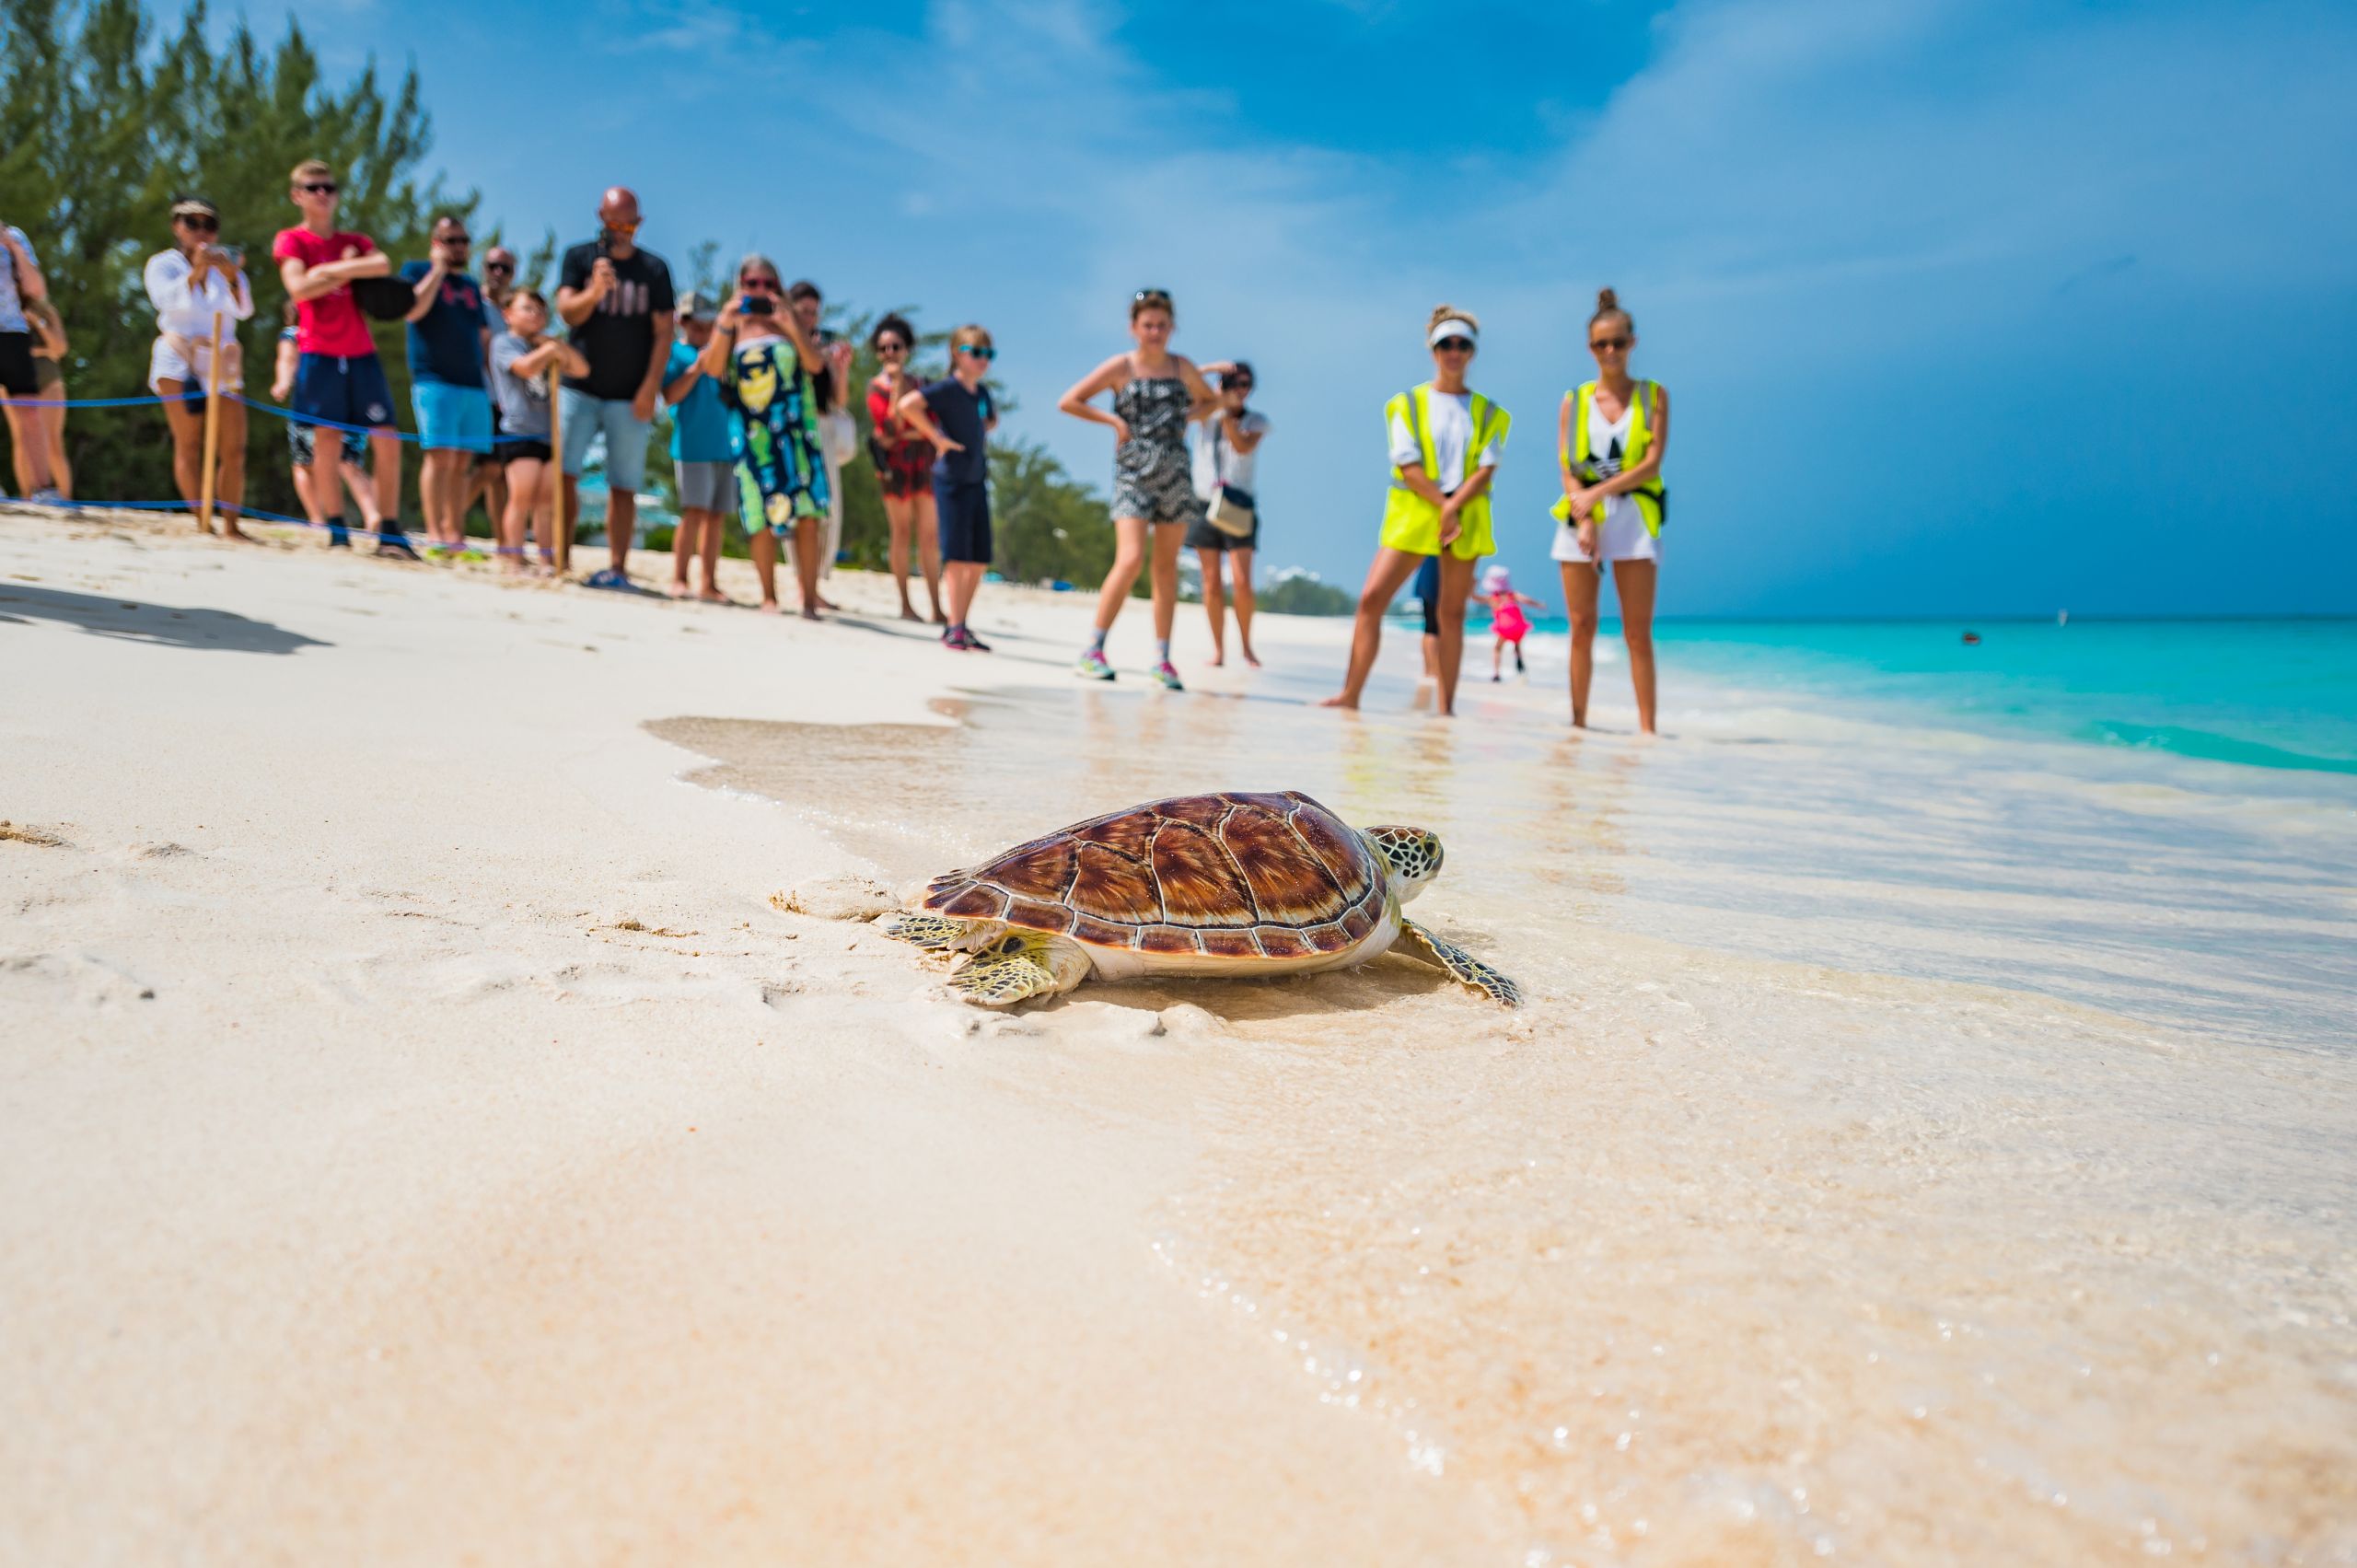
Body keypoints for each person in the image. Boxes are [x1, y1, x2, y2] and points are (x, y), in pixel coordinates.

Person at [1322, 305, 1510, 717]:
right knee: (1371, 599)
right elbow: (1407, 465)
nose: (1454, 352)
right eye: (1446, 344)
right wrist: (1443, 505)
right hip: (1415, 511)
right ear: (1433, 349)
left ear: (1472, 351)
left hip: (1465, 515)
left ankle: (1446, 708)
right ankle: (1351, 693)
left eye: (1462, 345)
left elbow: (1486, 468)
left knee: (1451, 613)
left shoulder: (1490, 412)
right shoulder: (1405, 404)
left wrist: (1454, 507)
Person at [1060, 288, 1221, 689]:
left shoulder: (1182, 367)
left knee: (1165, 568)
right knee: (1130, 559)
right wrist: (1115, 423)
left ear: (1172, 327)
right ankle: (1093, 649)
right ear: (1133, 327)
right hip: (1132, 473)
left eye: (1162, 325)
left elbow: (1211, 401)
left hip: (1175, 474)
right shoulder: (1121, 366)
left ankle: (1162, 659)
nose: (1155, 332)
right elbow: (1071, 401)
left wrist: (1187, 416)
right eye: (1148, 325)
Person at [273, 158, 411, 556]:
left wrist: (326, 272)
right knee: (327, 440)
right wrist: (348, 268)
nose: (322, 194)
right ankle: (337, 531)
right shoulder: (291, 239)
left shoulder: (356, 239)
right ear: (297, 196)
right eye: (313, 188)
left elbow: (381, 264)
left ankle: (389, 530)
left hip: (362, 351)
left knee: (387, 437)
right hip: (318, 351)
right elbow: (298, 289)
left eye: (329, 187)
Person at [1552, 286, 1670, 735]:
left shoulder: (1653, 396)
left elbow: (1650, 464)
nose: (1610, 352)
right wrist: (1585, 518)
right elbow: (1568, 467)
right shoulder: (1575, 400)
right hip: (1581, 518)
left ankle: (1647, 730)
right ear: (1590, 348)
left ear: (1632, 343)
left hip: (1634, 518)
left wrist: (1598, 495)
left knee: (1637, 631)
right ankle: (1578, 724)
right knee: (1581, 626)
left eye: (1618, 342)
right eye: (1601, 344)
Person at [696, 254, 828, 617]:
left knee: (807, 513)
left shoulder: (787, 321)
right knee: (758, 514)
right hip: (752, 433)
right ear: (740, 287)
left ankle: (809, 599)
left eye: (768, 284)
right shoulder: (733, 325)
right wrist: (724, 323)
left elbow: (815, 365)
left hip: (795, 430)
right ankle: (768, 596)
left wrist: (791, 325)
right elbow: (713, 369)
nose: (760, 290)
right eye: (752, 284)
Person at [555, 187, 674, 589]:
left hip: (630, 393)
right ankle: (560, 559)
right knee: (564, 474)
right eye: (613, 223)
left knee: (624, 484)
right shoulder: (579, 258)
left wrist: (650, 388)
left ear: (639, 224)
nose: (621, 232)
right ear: (600, 218)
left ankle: (618, 567)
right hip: (578, 387)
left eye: (628, 225)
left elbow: (664, 332)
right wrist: (594, 291)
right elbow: (567, 312)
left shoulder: (655, 269)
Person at [145, 197, 255, 536]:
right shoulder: (163, 264)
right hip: (178, 356)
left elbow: (244, 311)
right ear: (176, 227)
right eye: (192, 223)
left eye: (209, 224)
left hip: (221, 359)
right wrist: (197, 271)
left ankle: (232, 525)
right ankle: (202, 520)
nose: (201, 231)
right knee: (188, 443)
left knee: (234, 447)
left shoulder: (227, 267)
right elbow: (165, 302)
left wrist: (232, 276)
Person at [893, 324, 999, 651]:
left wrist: (983, 427)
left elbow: (990, 420)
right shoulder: (948, 388)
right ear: (956, 354)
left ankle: (961, 624)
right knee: (957, 555)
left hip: (977, 478)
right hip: (951, 478)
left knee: (979, 558)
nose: (982, 359)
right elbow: (907, 405)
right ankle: (954, 626)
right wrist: (937, 437)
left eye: (988, 354)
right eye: (975, 352)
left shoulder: (982, 393)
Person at [401, 215, 494, 557]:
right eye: (451, 240)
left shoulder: (470, 285)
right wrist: (437, 270)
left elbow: (483, 338)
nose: (459, 247)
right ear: (436, 243)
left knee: (462, 463)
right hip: (433, 380)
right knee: (439, 457)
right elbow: (412, 310)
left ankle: (456, 533)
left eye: (464, 241)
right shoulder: (416, 270)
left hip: (473, 384)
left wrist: (493, 385)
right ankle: (435, 533)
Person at [487, 287, 586, 575]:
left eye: (540, 311)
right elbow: (525, 369)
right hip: (520, 431)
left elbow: (581, 369)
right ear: (508, 314)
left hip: (548, 434)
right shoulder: (504, 342)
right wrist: (548, 351)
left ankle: (545, 561)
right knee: (521, 498)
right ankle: (515, 560)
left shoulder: (546, 344)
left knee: (545, 502)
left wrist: (556, 346)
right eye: (527, 308)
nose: (535, 315)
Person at [269, 308, 379, 539]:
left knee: (304, 465)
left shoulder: (294, 334)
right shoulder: (347, 331)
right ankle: (372, 514)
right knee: (349, 463)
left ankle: (318, 519)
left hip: (311, 404)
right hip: (349, 402)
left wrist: (282, 383)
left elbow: (287, 360)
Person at [1186, 360, 1268, 668]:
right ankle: (1218, 650)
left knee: (1241, 581)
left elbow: (1242, 446)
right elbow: (1184, 391)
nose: (1239, 390)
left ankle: (1246, 646)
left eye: (1245, 384)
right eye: (1233, 383)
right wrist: (1211, 371)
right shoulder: (1206, 413)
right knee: (1210, 581)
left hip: (1238, 504)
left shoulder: (1256, 421)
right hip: (1204, 502)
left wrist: (1228, 416)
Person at [865, 313, 945, 623]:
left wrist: (909, 429)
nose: (890, 353)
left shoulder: (924, 384)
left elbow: (932, 424)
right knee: (900, 532)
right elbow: (892, 426)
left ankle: (937, 606)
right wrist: (898, 385)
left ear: (907, 349)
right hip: (895, 467)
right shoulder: (875, 388)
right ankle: (905, 605)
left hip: (923, 463)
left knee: (929, 536)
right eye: (884, 348)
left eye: (896, 346)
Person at [660, 291, 736, 601]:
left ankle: (708, 583)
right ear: (683, 322)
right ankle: (679, 578)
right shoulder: (676, 353)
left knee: (717, 517)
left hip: (725, 446)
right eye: (697, 325)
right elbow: (669, 396)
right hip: (692, 446)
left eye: (709, 325)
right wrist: (697, 368)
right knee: (694, 513)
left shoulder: (723, 356)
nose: (703, 331)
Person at [788, 280, 856, 606]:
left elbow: (838, 400)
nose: (811, 319)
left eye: (814, 313)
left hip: (824, 428)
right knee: (799, 510)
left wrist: (840, 368)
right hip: (794, 430)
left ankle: (813, 586)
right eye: (804, 311)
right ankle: (803, 586)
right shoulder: (783, 341)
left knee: (828, 511)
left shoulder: (822, 345)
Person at [0, 220, 59, 501]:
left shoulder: (14, 236)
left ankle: (45, 491)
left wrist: (12, 246)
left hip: (13, 333)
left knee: (30, 414)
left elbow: (36, 291)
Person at [465, 244, 521, 534]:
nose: (498, 272)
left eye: (505, 268)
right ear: (483, 268)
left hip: (506, 401)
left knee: (501, 476)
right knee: (489, 467)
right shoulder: (473, 302)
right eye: (492, 266)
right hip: (483, 397)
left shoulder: (511, 311)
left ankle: (504, 540)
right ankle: (447, 522)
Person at [18, 296, 68, 499]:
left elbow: (59, 349)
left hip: (49, 380)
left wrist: (37, 321)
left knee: (53, 442)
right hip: (15, 382)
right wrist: (43, 351)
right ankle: (27, 499)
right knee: (22, 440)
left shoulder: (46, 311)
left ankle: (66, 499)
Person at [1480, 564, 1544, 681]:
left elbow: (1476, 599)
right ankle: (1519, 662)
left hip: (1504, 628)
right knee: (1517, 646)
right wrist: (1539, 604)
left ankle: (1496, 674)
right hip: (1518, 626)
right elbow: (1526, 600)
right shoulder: (1512, 595)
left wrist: (1469, 590)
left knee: (1497, 648)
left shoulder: (1493, 598)